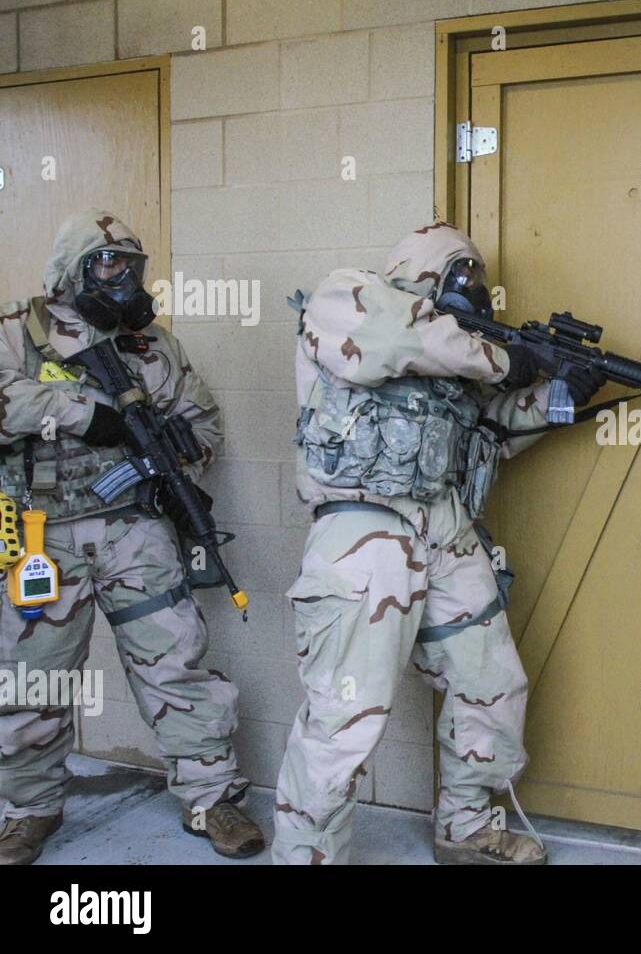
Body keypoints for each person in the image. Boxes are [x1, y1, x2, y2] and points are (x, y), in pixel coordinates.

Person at [274, 218, 605, 865]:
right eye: (463, 276)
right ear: (424, 275)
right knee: (345, 719)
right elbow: (402, 338)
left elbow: (494, 432)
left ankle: (467, 827)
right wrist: (515, 359)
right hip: (362, 531)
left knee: (492, 681)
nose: (476, 291)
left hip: (443, 524)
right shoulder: (348, 297)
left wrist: (560, 396)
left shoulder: (453, 362)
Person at [0, 210, 264, 864]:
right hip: (41, 535)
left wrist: (173, 455)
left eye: (131, 265)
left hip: (136, 531)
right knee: (34, 678)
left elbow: (202, 422)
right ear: (74, 268)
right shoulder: (16, 335)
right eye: (108, 263)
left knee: (176, 660)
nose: (123, 278)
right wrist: (81, 414)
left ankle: (210, 796)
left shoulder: (151, 345)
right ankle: (29, 809)